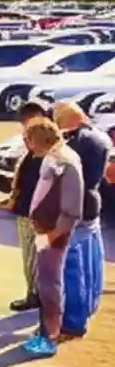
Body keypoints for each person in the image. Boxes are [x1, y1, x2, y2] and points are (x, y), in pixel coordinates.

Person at [20, 117, 84, 358]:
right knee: (46, 283)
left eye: (28, 139)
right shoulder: (54, 157)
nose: (27, 145)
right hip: (45, 232)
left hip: (52, 234)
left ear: (39, 139)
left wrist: (52, 236)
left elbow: (71, 210)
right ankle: (46, 331)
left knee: (51, 285)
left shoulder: (65, 162)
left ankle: (50, 337)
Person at [54, 102, 111, 338]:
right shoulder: (100, 137)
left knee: (72, 268)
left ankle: (74, 321)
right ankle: (88, 308)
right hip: (92, 202)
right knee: (91, 263)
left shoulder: (78, 143)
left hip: (78, 206)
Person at [4, 102, 48, 312]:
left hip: (35, 215)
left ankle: (36, 296)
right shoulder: (35, 151)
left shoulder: (46, 154)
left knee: (34, 258)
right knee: (32, 258)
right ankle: (36, 293)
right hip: (28, 212)